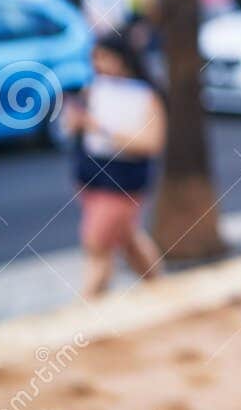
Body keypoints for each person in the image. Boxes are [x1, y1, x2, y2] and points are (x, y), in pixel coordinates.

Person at [64, 32, 166, 297]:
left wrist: (102, 128)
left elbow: (151, 143)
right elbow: (75, 130)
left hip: (122, 180)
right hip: (91, 177)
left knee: (97, 244)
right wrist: (77, 123)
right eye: (94, 58)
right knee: (127, 238)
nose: (98, 64)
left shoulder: (145, 96)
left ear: (122, 59)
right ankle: (161, 291)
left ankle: (88, 309)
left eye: (103, 57)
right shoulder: (93, 89)